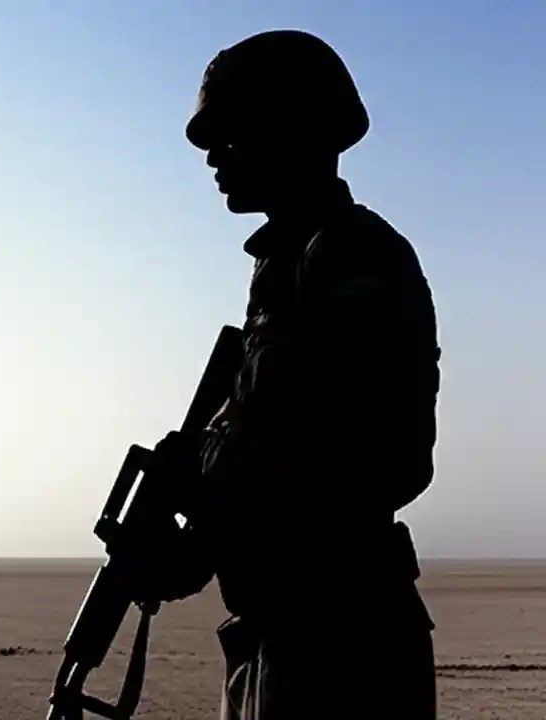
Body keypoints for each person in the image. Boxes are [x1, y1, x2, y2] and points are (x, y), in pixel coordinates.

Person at [138, 29, 443, 719]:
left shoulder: (355, 258)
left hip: (341, 647)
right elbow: (277, 438)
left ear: (289, 128)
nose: (214, 156)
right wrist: (196, 506)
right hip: (278, 639)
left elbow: (389, 460)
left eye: (231, 132)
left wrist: (215, 495)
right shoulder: (284, 276)